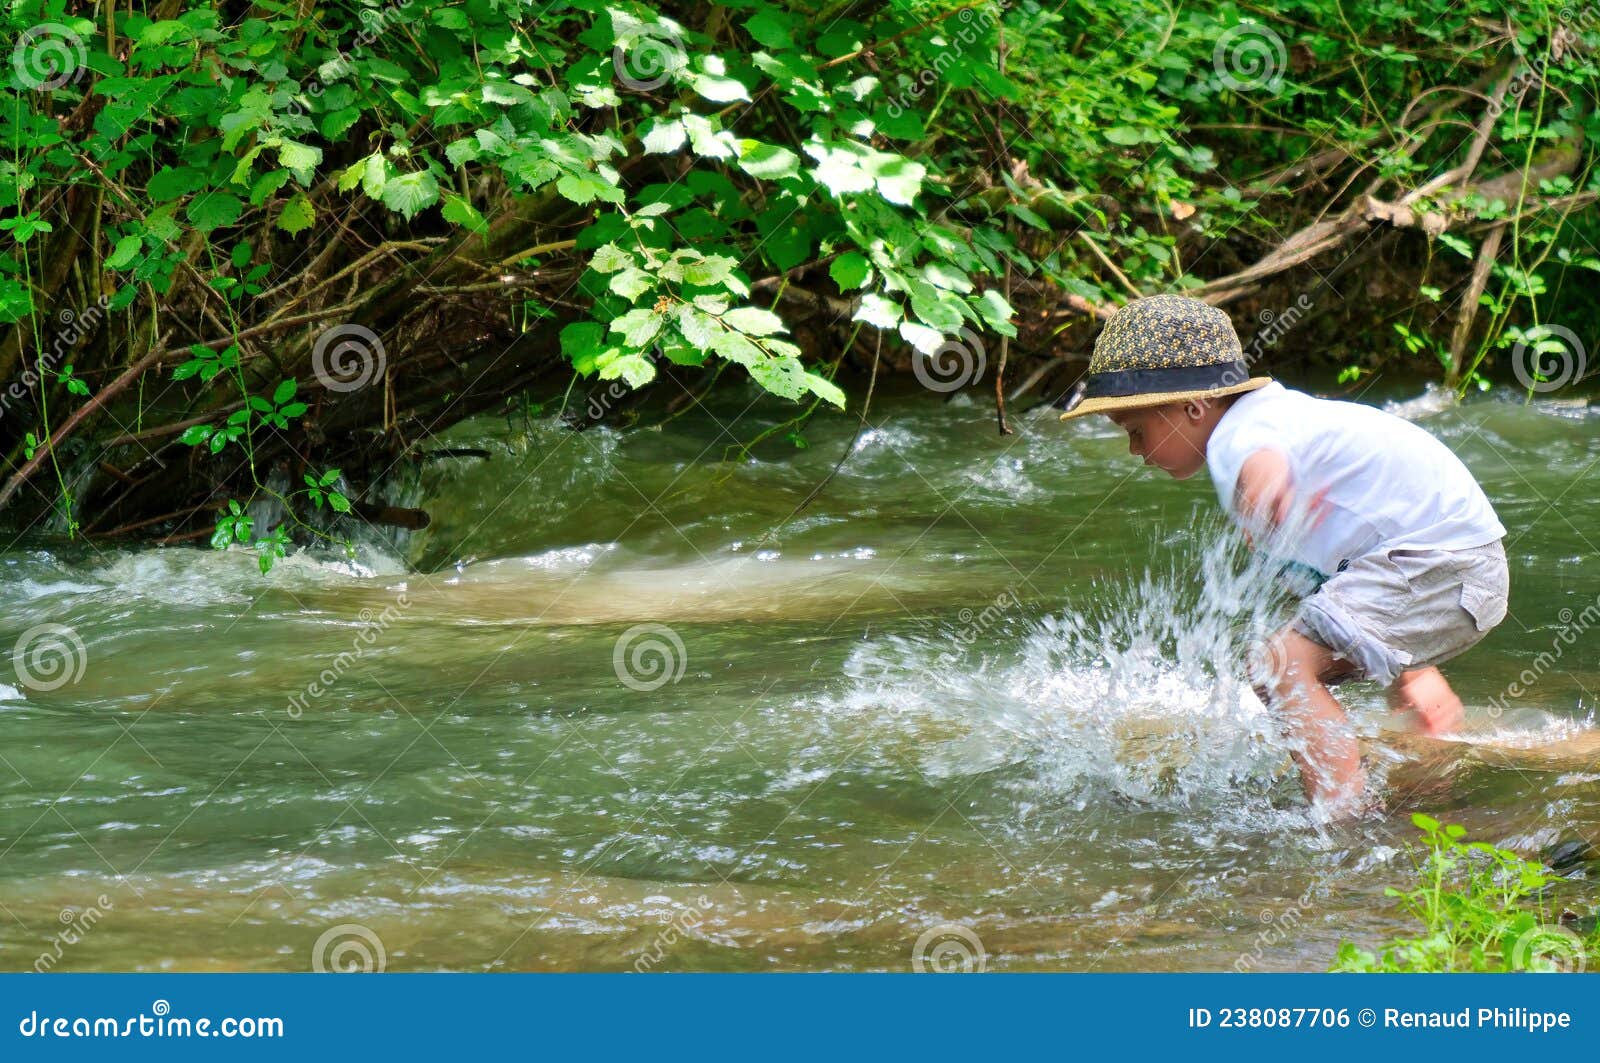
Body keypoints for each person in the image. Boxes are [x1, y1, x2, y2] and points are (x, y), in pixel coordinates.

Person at [1059, 294, 1509, 815]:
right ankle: (1432, 745)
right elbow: (1323, 566)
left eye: (1136, 431)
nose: (1135, 451)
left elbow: (1262, 462)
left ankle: (1342, 820)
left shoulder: (1238, 440)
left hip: (1434, 563)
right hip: (1459, 565)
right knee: (1309, 653)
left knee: (1278, 664)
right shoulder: (1278, 413)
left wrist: (1264, 493)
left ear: (1191, 407)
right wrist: (1410, 668)